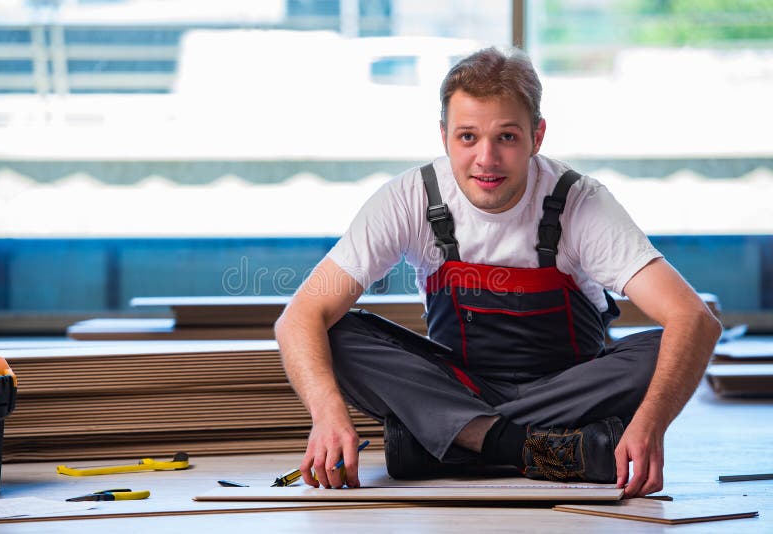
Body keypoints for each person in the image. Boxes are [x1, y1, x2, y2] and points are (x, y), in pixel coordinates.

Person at [274, 47, 721, 498]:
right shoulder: (408, 199)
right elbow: (298, 316)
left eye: (506, 137)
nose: (486, 159)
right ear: (444, 135)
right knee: (336, 334)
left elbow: (695, 319)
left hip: (568, 390)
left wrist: (649, 425)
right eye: (468, 137)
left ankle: (451, 442)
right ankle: (544, 450)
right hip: (462, 388)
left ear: (537, 136)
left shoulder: (579, 203)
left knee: (667, 346)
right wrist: (327, 415)